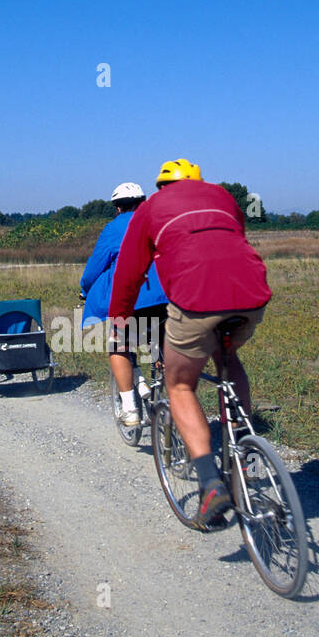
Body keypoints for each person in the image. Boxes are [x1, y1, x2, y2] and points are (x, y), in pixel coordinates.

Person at [110, 159, 271, 528]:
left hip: (197, 298)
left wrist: (120, 320)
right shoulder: (223, 197)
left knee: (180, 384)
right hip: (252, 294)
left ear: (161, 187)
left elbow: (131, 272)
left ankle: (211, 484)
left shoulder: (149, 209)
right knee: (227, 357)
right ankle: (244, 446)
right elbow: (231, 242)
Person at [80, 183, 168, 427]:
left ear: (117, 207)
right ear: (143, 202)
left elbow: (95, 267)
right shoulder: (158, 222)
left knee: (118, 345)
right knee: (161, 343)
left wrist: (84, 289)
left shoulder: (114, 227)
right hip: (168, 298)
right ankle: (171, 393)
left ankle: (130, 408)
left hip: (133, 300)